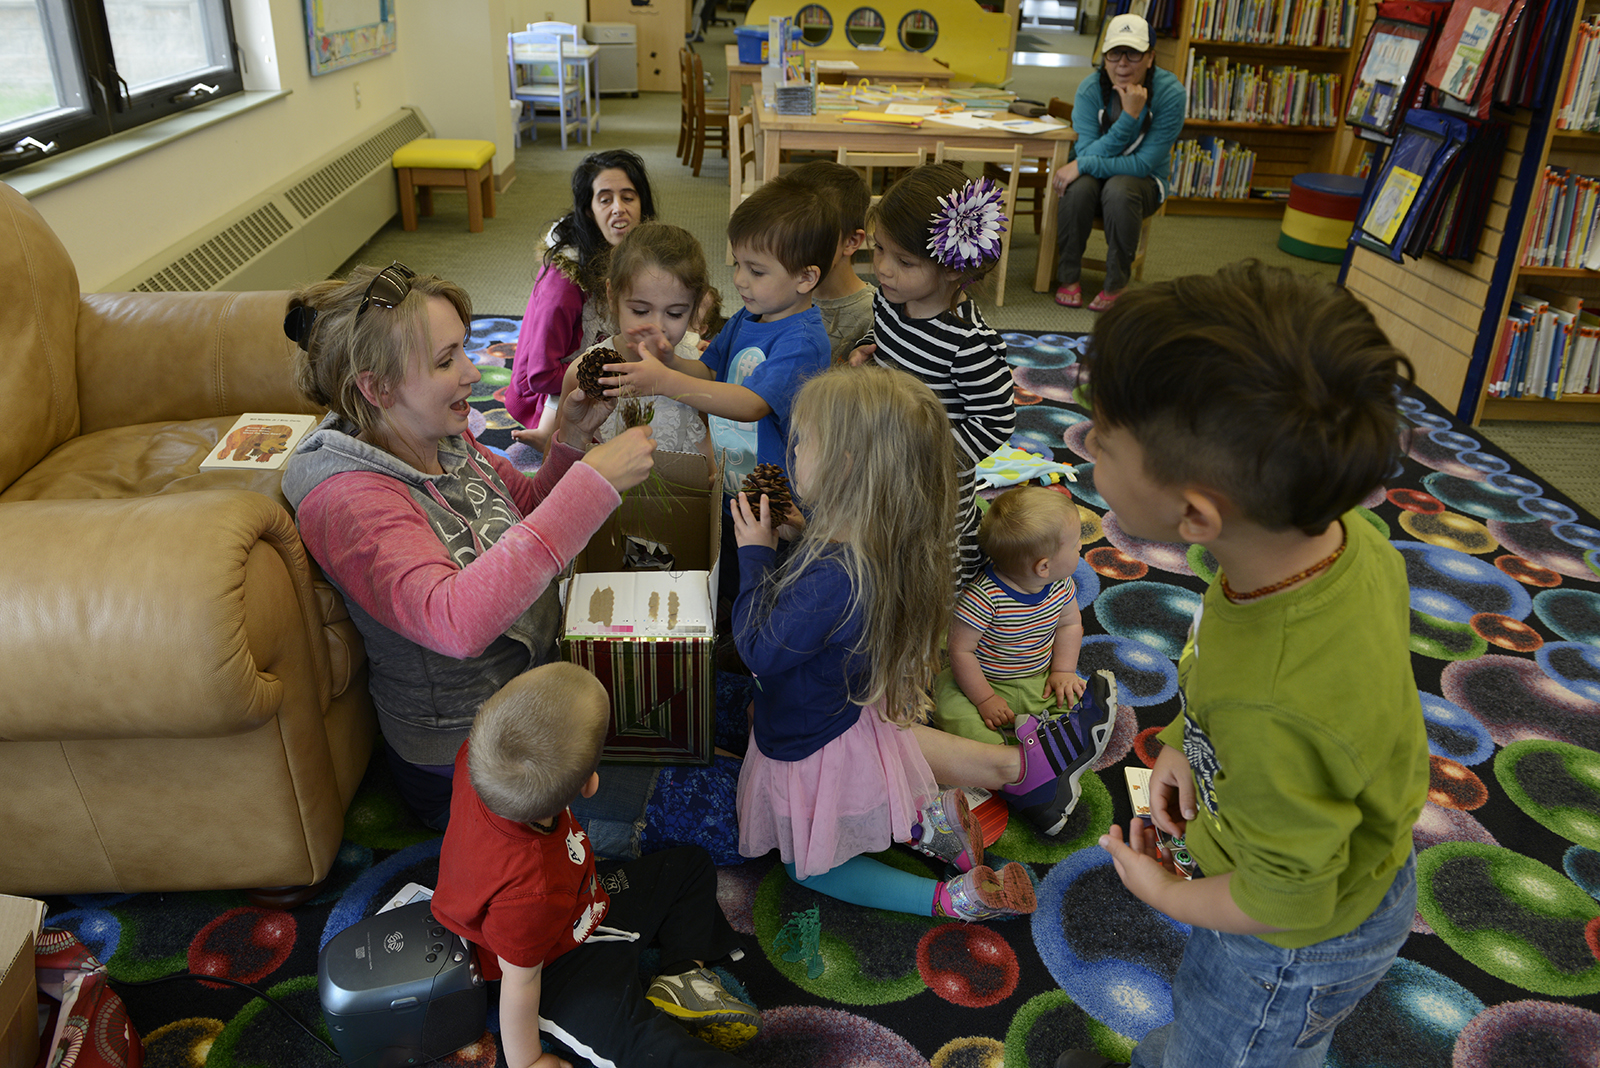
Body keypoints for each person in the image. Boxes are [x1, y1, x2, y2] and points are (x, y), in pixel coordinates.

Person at [1055, 262, 1428, 1068]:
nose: (1087, 453)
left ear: (1195, 514)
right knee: (1205, 1026)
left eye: (1103, 442)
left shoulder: (1275, 703)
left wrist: (1167, 892)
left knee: (1230, 1046)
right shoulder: (1337, 541)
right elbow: (1235, 681)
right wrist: (1184, 742)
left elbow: (1290, 895)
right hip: (1310, 844)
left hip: (1292, 943)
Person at [732, 366, 1120, 921]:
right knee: (858, 764)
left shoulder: (831, 577)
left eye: (802, 442)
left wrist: (754, 555)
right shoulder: (879, 537)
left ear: (844, 466)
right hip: (850, 715)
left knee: (807, 866)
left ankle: (950, 900)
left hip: (810, 737)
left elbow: (758, 650)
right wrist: (802, 531)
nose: (791, 451)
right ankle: (939, 823)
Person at [281, 263, 656, 830]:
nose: (473, 372)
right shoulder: (347, 501)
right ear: (377, 388)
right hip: (474, 755)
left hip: (530, 687)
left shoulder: (439, 432)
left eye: (464, 347)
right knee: (685, 803)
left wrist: (574, 438)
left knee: (682, 725)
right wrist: (591, 487)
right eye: (445, 360)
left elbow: (524, 510)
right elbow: (454, 623)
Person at [431, 663, 759, 1068]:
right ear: (590, 784)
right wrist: (527, 1061)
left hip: (586, 900)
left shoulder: (474, 757)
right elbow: (521, 981)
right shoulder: (529, 893)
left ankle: (680, 976)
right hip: (553, 969)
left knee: (689, 864)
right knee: (646, 1045)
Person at [600, 174, 834, 594]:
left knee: (765, 587)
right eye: (738, 264)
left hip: (776, 507)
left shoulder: (801, 341)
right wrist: (673, 361)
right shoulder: (750, 315)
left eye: (756, 271)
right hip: (732, 489)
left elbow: (751, 403)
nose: (740, 280)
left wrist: (666, 380)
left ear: (805, 277)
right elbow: (710, 373)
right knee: (724, 582)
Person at [849, 162, 1016, 587]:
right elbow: (883, 334)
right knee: (884, 532)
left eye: (904, 261)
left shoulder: (968, 344)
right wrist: (866, 346)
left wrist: (933, 455)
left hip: (932, 479)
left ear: (953, 267)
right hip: (885, 451)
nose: (883, 268)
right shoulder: (889, 300)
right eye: (879, 249)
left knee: (931, 552)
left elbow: (996, 419)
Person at [506, 149, 657, 451]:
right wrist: (616, 370)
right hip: (548, 392)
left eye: (628, 197)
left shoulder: (635, 253)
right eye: (605, 200)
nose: (619, 209)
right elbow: (541, 376)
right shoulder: (564, 283)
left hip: (599, 361)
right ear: (589, 210)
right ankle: (547, 434)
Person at [1050, 13, 1185, 313]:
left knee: (1119, 189)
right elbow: (1087, 150)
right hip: (1094, 182)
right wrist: (1128, 119)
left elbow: (1142, 165)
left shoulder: (1171, 93)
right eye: (1114, 53)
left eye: (1133, 53)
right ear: (1104, 57)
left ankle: (1116, 284)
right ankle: (1068, 276)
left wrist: (1083, 164)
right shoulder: (1090, 89)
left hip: (1143, 185)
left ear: (1150, 58)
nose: (1122, 63)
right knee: (1078, 189)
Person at [933, 486, 1088, 746]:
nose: (1081, 546)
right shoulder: (982, 597)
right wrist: (984, 699)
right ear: (1044, 566)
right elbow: (960, 650)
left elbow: (1070, 624)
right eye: (1075, 545)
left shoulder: (1061, 585)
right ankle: (996, 753)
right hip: (984, 682)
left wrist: (1063, 671)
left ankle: (1050, 742)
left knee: (1078, 697)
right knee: (950, 707)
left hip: (1040, 681)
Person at [548, 221, 718, 456]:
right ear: (612, 296)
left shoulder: (695, 368)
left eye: (675, 313)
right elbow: (555, 458)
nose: (657, 327)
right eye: (640, 311)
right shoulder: (583, 371)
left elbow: (707, 440)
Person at [785, 159, 876, 365]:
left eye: (809, 233)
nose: (790, 244)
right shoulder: (782, 291)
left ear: (851, 241)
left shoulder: (873, 314)